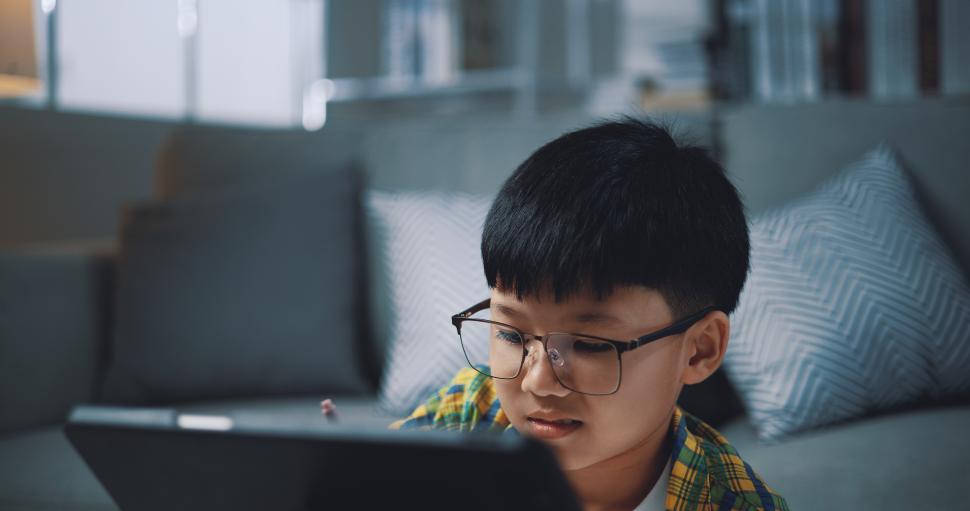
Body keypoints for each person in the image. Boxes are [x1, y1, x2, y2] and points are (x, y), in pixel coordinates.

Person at [339, 118, 788, 510]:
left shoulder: (734, 503)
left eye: (589, 345)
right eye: (511, 336)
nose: (537, 382)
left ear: (699, 351)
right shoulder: (473, 410)